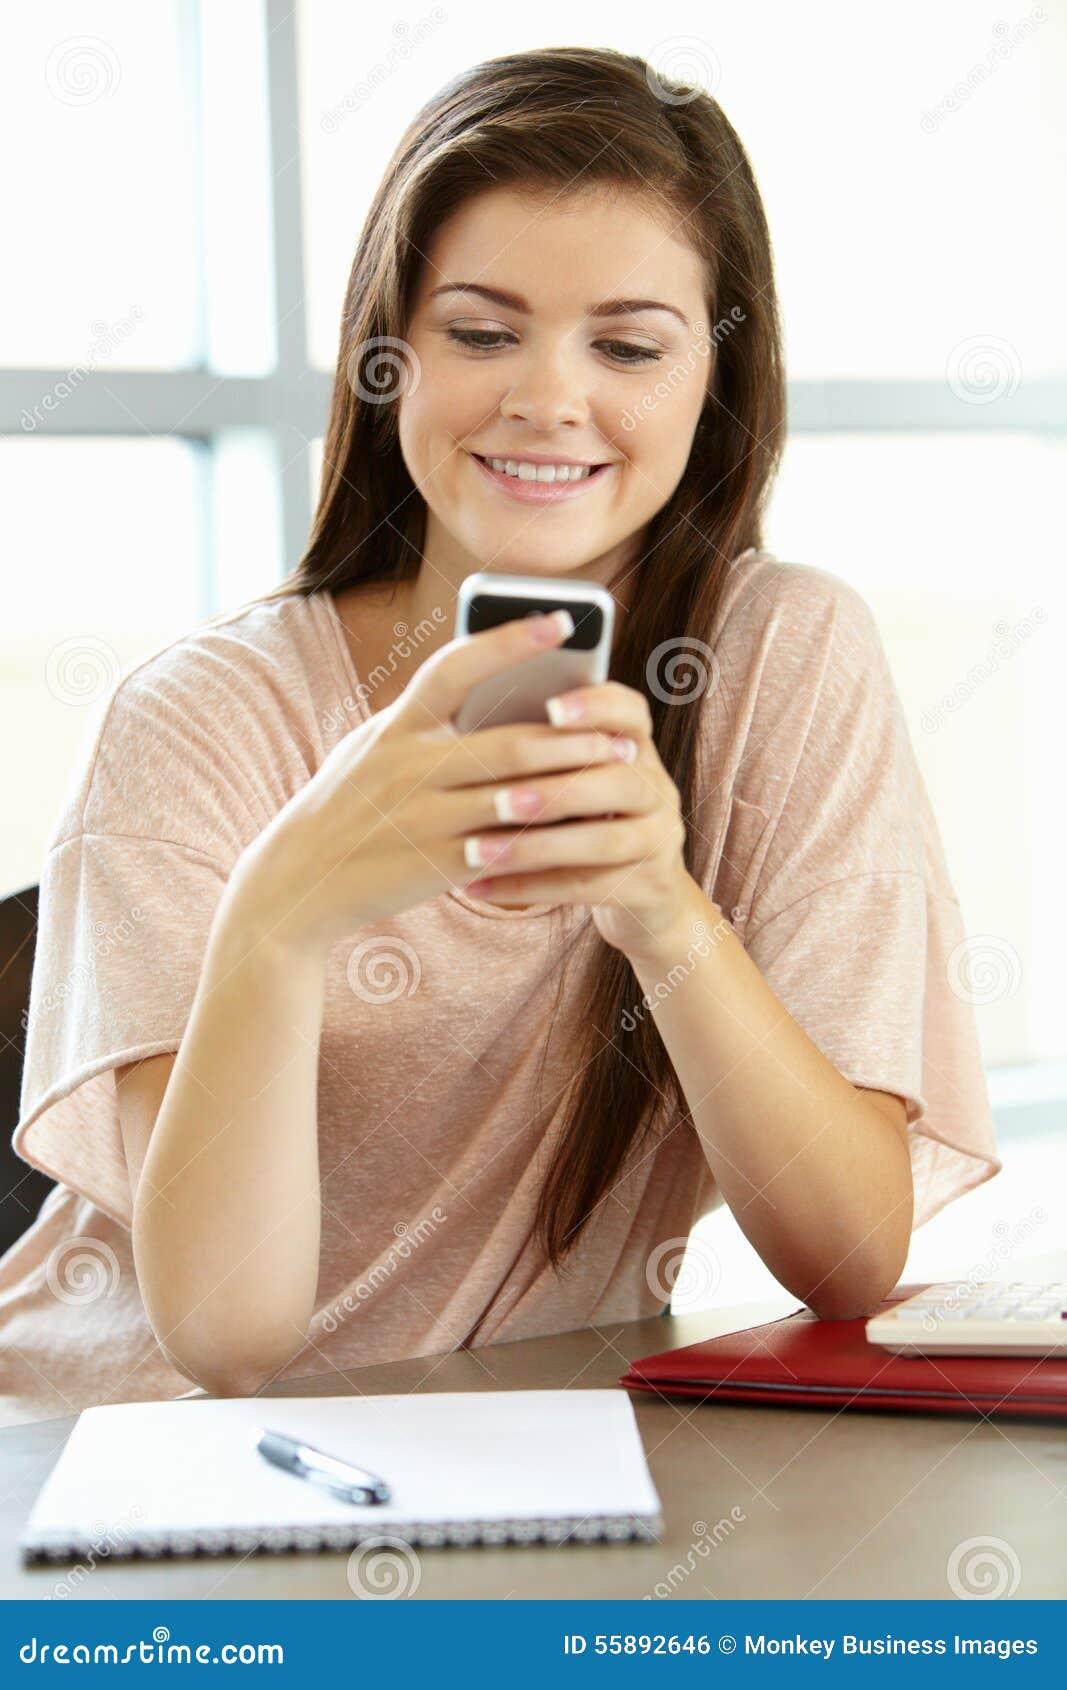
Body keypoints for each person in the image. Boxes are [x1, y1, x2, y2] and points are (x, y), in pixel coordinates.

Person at [1, 46, 999, 1427]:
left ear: (715, 377)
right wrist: (279, 918)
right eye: (480, 333)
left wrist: (663, 912)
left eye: (627, 347)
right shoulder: (201, 716)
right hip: (128, 1463)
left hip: (521, 1461)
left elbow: (848, 1259)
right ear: (391, 356)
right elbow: (227, 1343)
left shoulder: (783, 657)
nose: (546, 398)